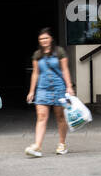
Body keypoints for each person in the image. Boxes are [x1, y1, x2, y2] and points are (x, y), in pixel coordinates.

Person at [26, 27, 74, 157]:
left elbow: (65, 70)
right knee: (41, 116)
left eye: (46, 38)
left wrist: (69, 86)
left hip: (59, 87)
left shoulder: (59, 52)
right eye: (41, 39)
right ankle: (37, 146)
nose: (44, 40)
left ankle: (62, 144)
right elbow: (35, 73)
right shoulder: (37, 54)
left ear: (51, 39)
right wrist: (31, 91)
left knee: (60, 117)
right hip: (42, 89)